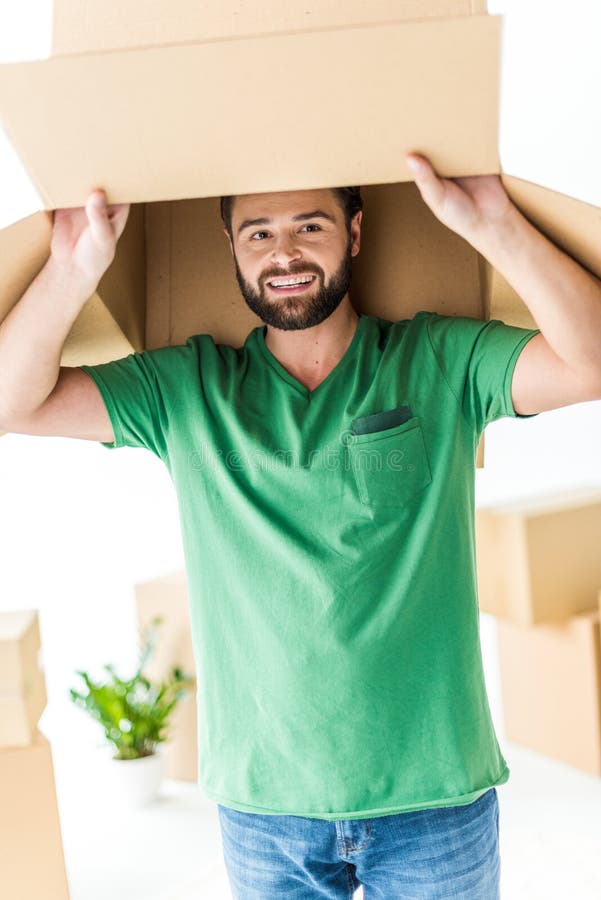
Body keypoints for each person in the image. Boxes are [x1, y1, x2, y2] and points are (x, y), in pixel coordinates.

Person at [1, 153, 600, 899]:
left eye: (308, 226)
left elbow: (590, 362)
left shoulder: (437, 359)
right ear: (229, 246)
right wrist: (72, 262)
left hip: (433, 796)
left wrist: (491, 223)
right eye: (257, 234)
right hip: (265, 808)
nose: (282, 253)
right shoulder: (185, 390)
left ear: (353, 232)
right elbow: (11, 401)